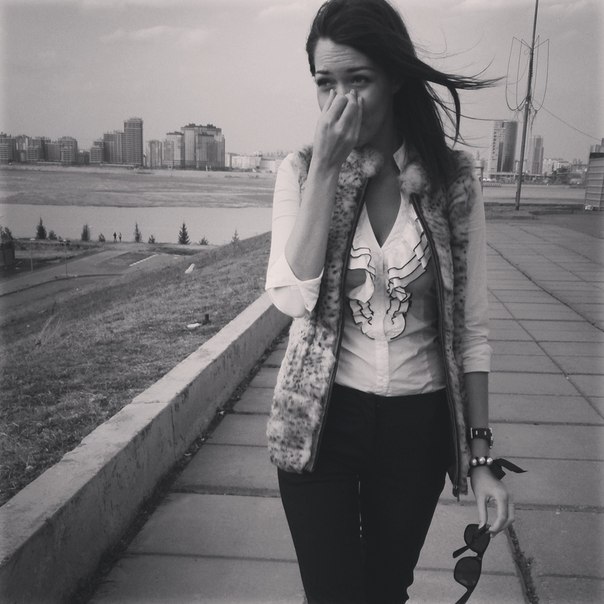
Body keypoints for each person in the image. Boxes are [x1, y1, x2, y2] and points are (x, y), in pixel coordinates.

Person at [265, 1, 514, 602]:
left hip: (415, 428)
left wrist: (481, 458)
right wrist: (326, 170)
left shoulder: (453, 179)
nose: (340, 101)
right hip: (321, 423)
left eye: (359, 80)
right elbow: (291, 297)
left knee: (384, 591)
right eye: (325, 83)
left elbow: (471, 331)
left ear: (396, 77)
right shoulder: (300, 171)